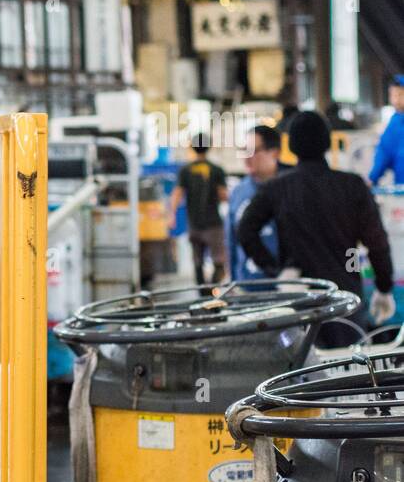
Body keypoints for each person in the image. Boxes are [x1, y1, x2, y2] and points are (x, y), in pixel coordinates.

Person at [238, 111, 395, 349]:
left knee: (303, 374)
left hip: (299, 299)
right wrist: (384, 288)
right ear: (326, 142)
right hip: (345, 301)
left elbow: (245, 230)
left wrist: (278, 272)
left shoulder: (277, 188)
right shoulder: (352, 185)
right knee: (348, 373)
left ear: (291, 145)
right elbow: (377, 243)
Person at [226, 125, 286, 281]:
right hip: (248, 288)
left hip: (288, 287)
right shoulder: (239, 191)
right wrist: (233, 281)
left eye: (252, 151)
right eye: (243, 150)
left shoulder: (292, 189)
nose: (246, 157)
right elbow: (231, 240)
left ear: (275, 153)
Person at [167, 141, 228, 285]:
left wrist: (172, 215)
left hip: (194, 223)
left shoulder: (186, 170)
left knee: (197, 260)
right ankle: (213, 291)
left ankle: (201, 293)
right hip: (214, 223)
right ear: (209, 147)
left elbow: (177, 194)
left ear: (192, 147)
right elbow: (223, 195)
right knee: (218, 260)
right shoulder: (216, 169)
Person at [367, 76, 404, 186]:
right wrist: (372, 178)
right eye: (392, 95)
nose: (395, 100)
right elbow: (384, 153)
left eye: (400, 95)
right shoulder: (396, 122)